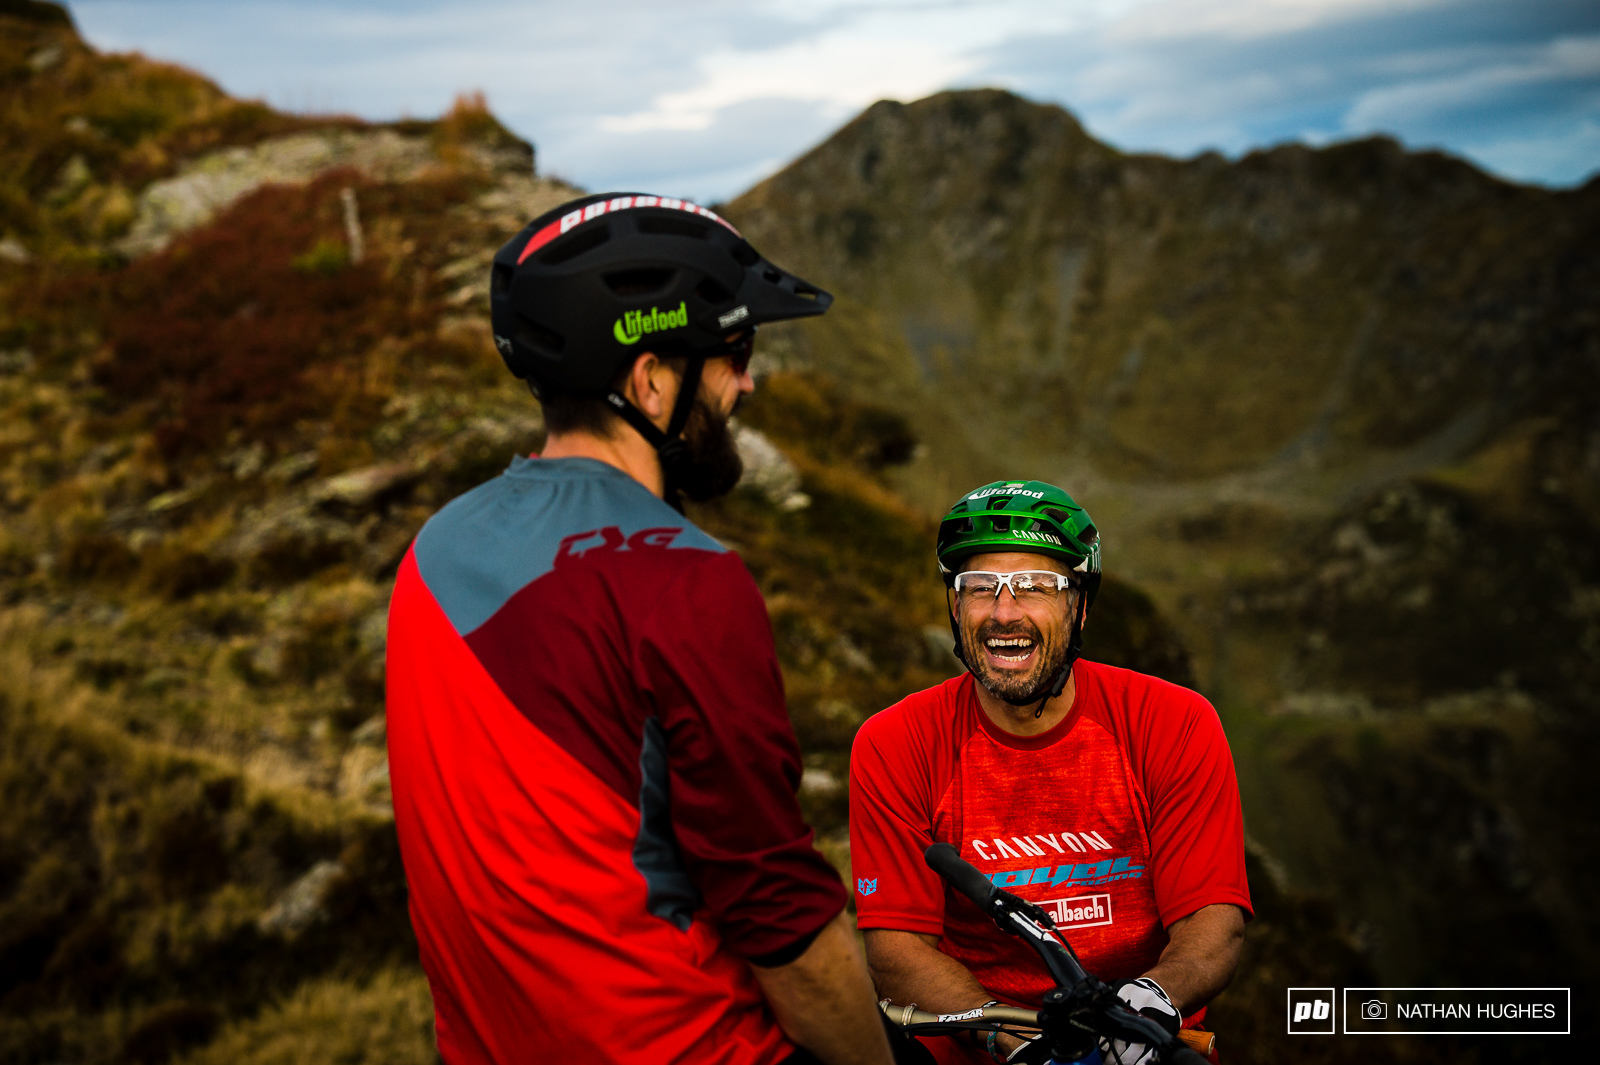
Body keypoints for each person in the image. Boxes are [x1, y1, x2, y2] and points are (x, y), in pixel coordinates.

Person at [386, 192, 895, 1065]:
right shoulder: (689, 584)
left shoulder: (433, 554)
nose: (747, 380)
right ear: (650, 379)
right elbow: (783, 926)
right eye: (735, 353)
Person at [849, 480, 1252, 1064]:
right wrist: (1012, 1043)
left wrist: (1150, 999)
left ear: (1080, 604)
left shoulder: (1173, 723)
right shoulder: (896, 743)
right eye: (980, 586)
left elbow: (1213, 923)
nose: (1003, 613)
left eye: (1036, 586)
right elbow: (896, 951)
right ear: (954, 606)